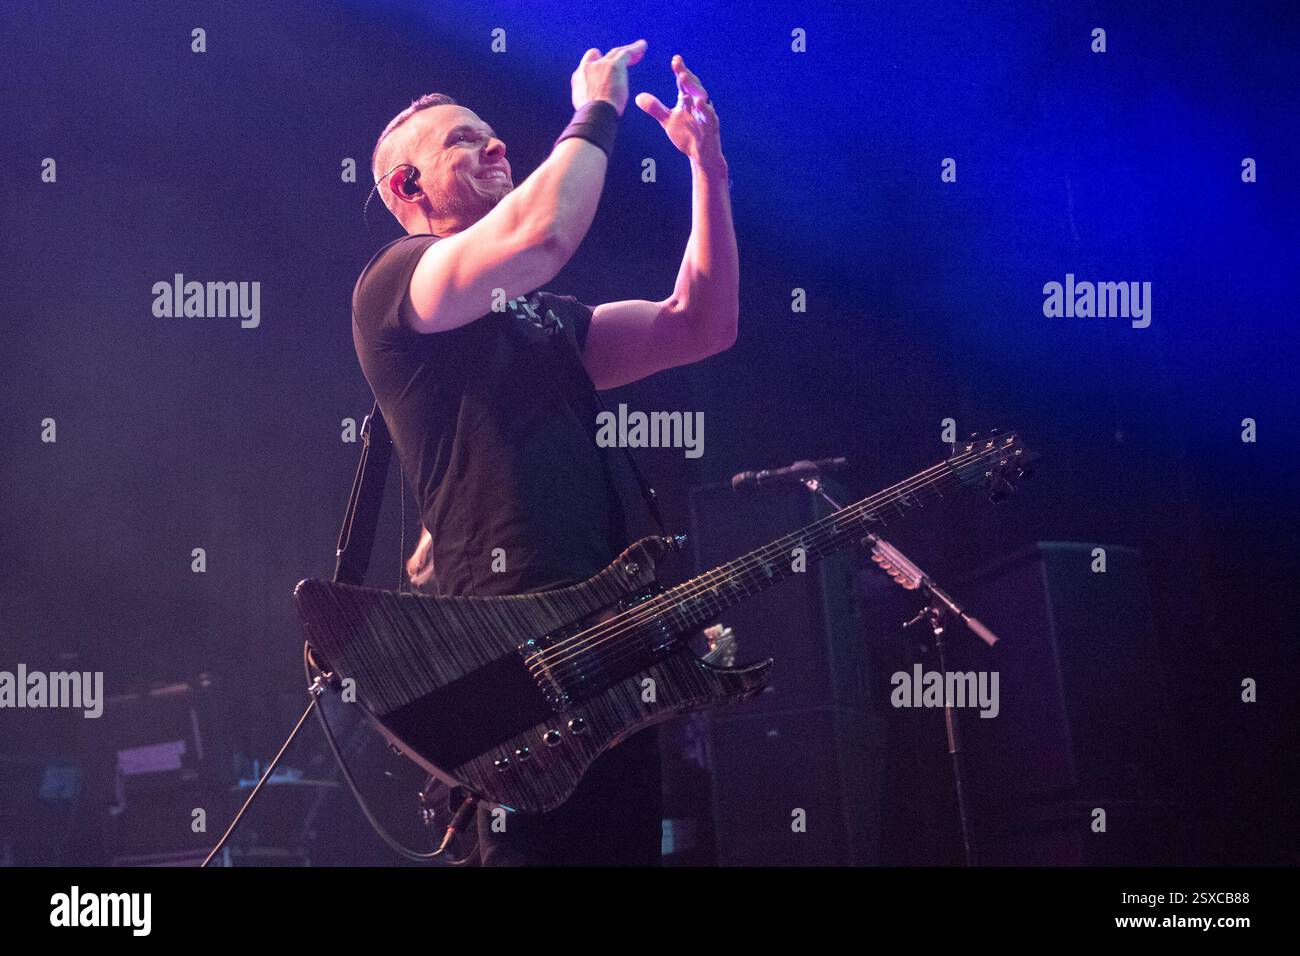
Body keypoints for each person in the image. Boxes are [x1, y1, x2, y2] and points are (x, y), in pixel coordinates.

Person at [351, 39, 737, 865]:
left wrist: (710, 171)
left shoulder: (546, 318)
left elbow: (701, 321)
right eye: (463, 140)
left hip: (610, 648)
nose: (495, 146)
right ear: (405, 187)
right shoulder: (396, 282)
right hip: (508, 656)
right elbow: (541, 235)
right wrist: (595, 109)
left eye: (492, 133)